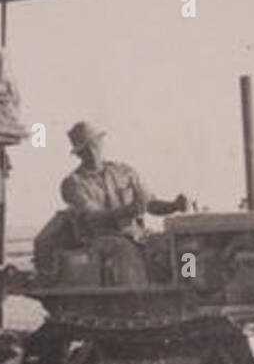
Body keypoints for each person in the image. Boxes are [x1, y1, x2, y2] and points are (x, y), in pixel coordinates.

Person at [33, 121, 188, 282]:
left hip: (138, 236)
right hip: (101, 240)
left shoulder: (124, 172)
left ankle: (190, 289)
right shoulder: (73, 183)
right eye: (85, 150)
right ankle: (140, 298)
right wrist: (128, 211)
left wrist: (174, 205)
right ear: (78, 154)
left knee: (180, 247)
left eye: (94, 145)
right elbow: (93, 216)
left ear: (101, 143)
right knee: (125, 253)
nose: (92, 152)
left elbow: (149, 204)